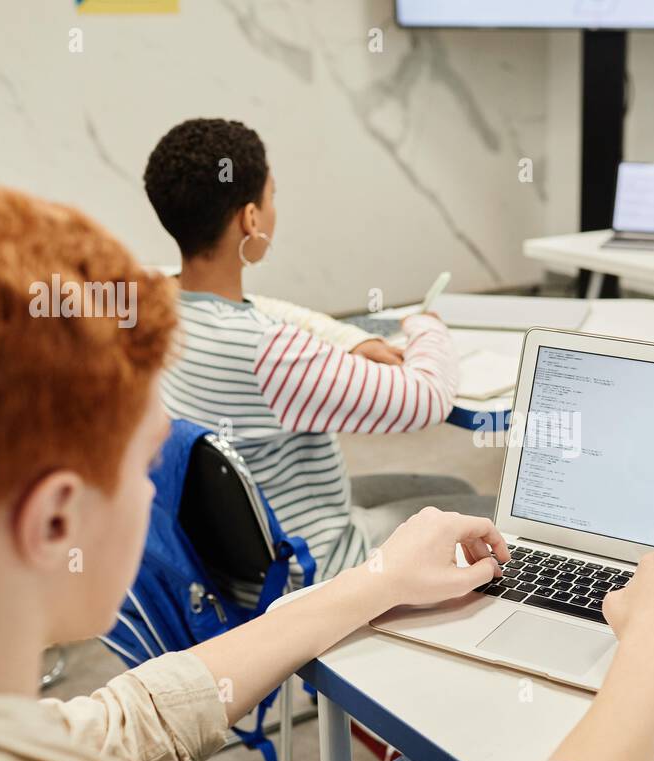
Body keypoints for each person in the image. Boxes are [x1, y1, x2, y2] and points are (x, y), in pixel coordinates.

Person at [0, 182, 654, 761]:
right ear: (56, 518)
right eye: (144, 466)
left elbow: (128, 717)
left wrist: (378, 583)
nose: (152, 492)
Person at [143, 117, 493, 587]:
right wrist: (427, 327)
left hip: (242, 555)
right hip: (318, 566)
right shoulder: (267, 351)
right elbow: (424, 398)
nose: (273, 210)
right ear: (250, 219)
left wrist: (353, 340)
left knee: (455, 489)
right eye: (271, 197)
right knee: (492, 515)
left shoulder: (153, 304)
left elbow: (268, 308)